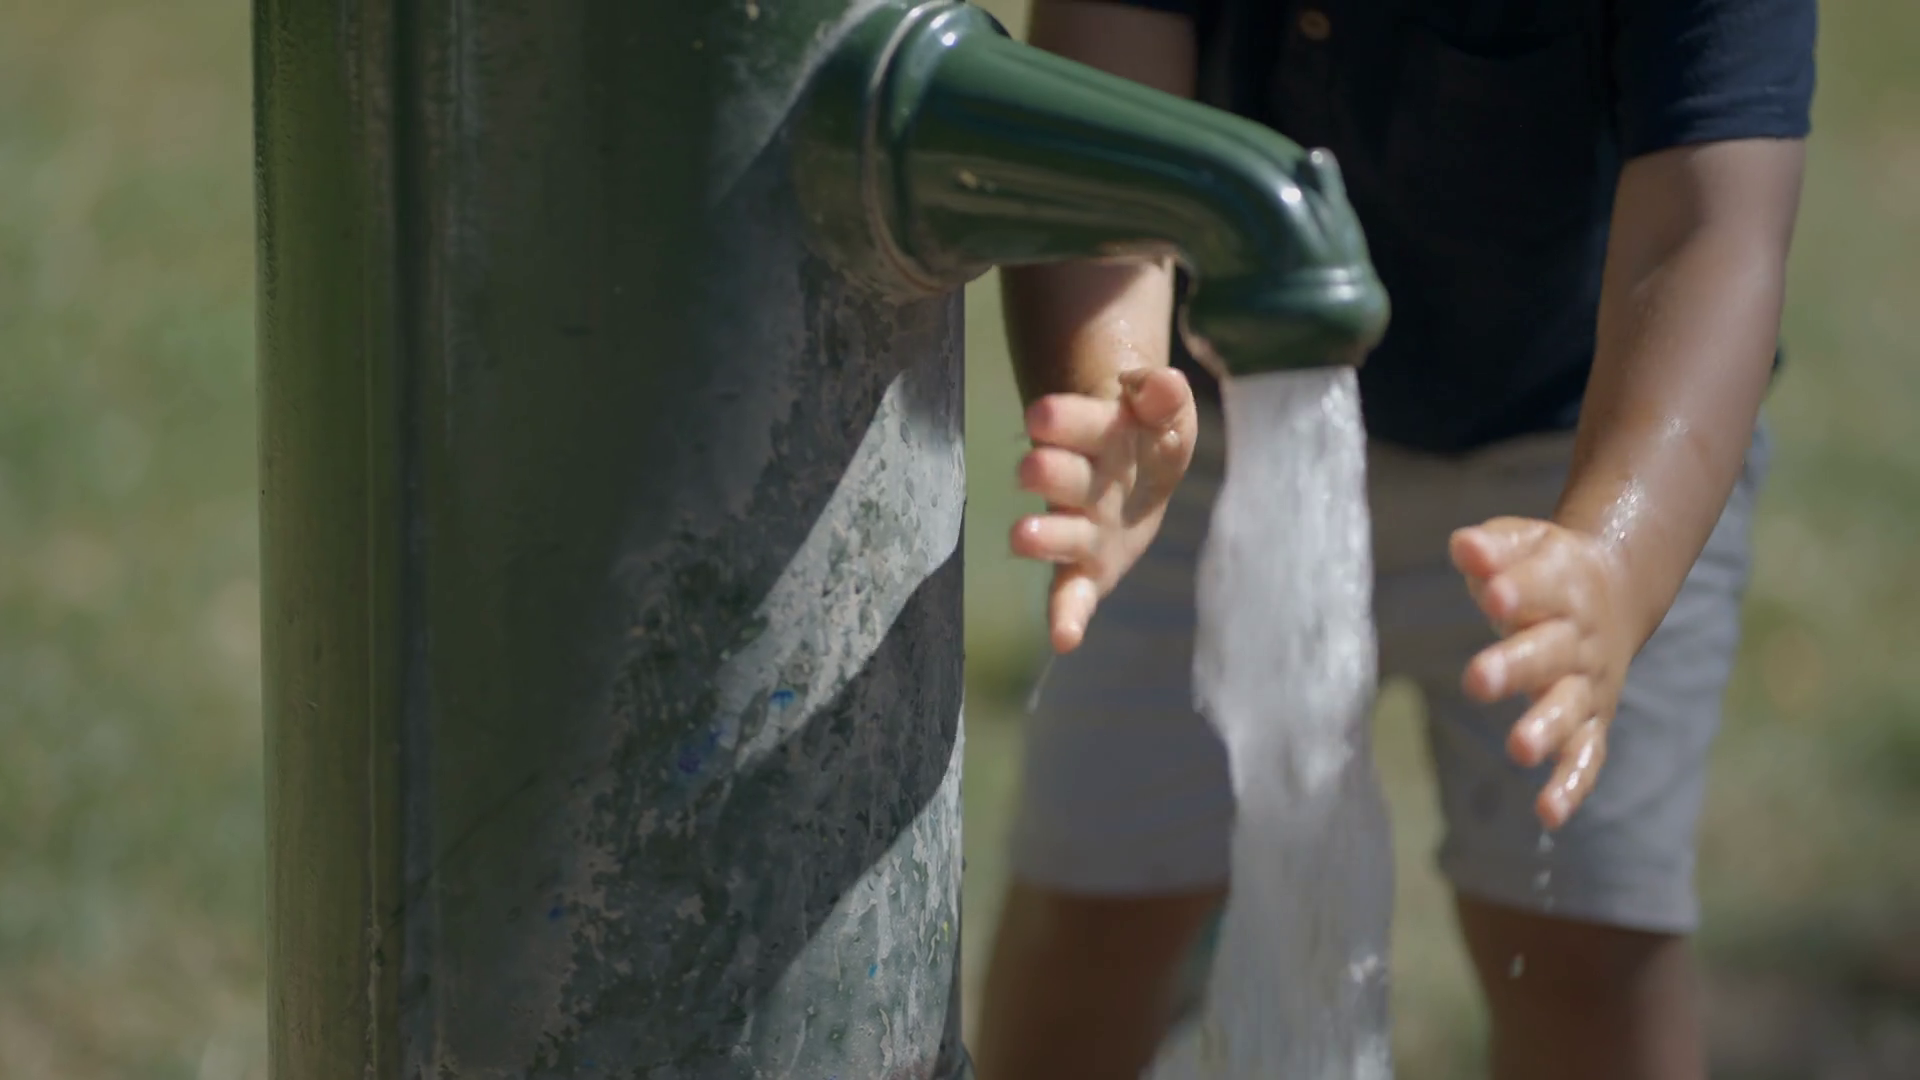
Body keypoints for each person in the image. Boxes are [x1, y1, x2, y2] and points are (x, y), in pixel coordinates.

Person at [972, 1, 1816, 1078]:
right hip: (1206, 430)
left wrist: (1617, 557)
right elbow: (1110, 119)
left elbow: (1713, 231)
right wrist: (1112, 386)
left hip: (1587, 466)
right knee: (1099, 908)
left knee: (1589, 950)